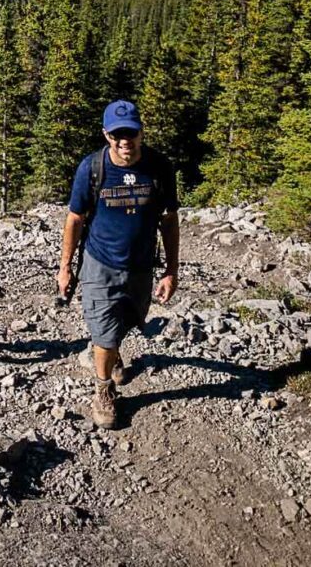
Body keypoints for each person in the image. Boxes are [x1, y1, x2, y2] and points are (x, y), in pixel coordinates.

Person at [57, 100, 180, 429]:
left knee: (129, 319)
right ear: (106, 134)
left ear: (141, 132)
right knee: (105, 334)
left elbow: (169, 219)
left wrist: (171, 270)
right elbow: (74, 219)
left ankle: (108, 347)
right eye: (117, 135)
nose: (125, 141)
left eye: (131, 133)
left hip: (140, 265)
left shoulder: (159, 167)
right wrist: (65, 266)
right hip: (99, 263)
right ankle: (103, 389)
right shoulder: (92, 168)